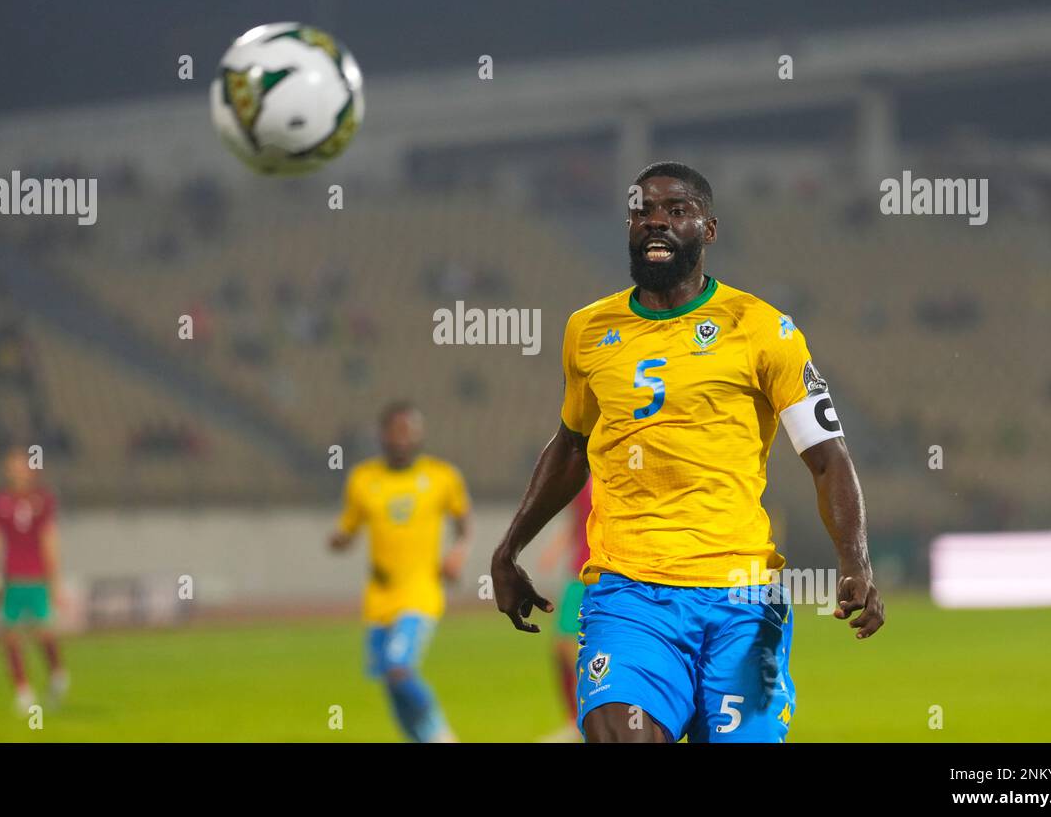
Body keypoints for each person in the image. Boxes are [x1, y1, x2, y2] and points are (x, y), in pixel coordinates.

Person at [491, 162, 885, 742]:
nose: (656, 222)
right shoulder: (588, 331)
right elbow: (572, 446)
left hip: (742, 599)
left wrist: (855, 564)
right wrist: (509, 548)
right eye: (642, 211)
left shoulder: (761, 329)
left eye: (676, 211)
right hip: (628, 594)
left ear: (709, 229)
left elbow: (827, 457)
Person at [328, 402, 473, 743]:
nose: (405, 438)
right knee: (391, 685)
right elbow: (348, 529)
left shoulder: (441, 477)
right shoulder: (363, 480)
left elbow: (463, 523)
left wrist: (457, 553)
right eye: (398, 431)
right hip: (379, 597)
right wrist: (339, 540)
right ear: (383, 435)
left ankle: (442, 735)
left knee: (398, 669)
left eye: (411, 430)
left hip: (420, 592)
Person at [0, 446, 68, 711]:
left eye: (22, 468)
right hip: (12, 578)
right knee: (9, 637)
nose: (17, 473)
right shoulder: (0, 502)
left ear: (32, 471)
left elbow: (49, 540)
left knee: (43, 633)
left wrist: (55, 581)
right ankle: (23, 691)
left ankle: (57, 672)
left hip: (37, 578)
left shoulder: (42, 500)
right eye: (12, 468)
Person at [535, 477, 591, 742]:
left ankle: (590, 715)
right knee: (561, 646)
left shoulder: (617, 467)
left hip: (602, 572)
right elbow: (576, 520)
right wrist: (555, 549)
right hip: (577, 573)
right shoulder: (583, 473)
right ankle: (577, 718)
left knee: (574, 646)